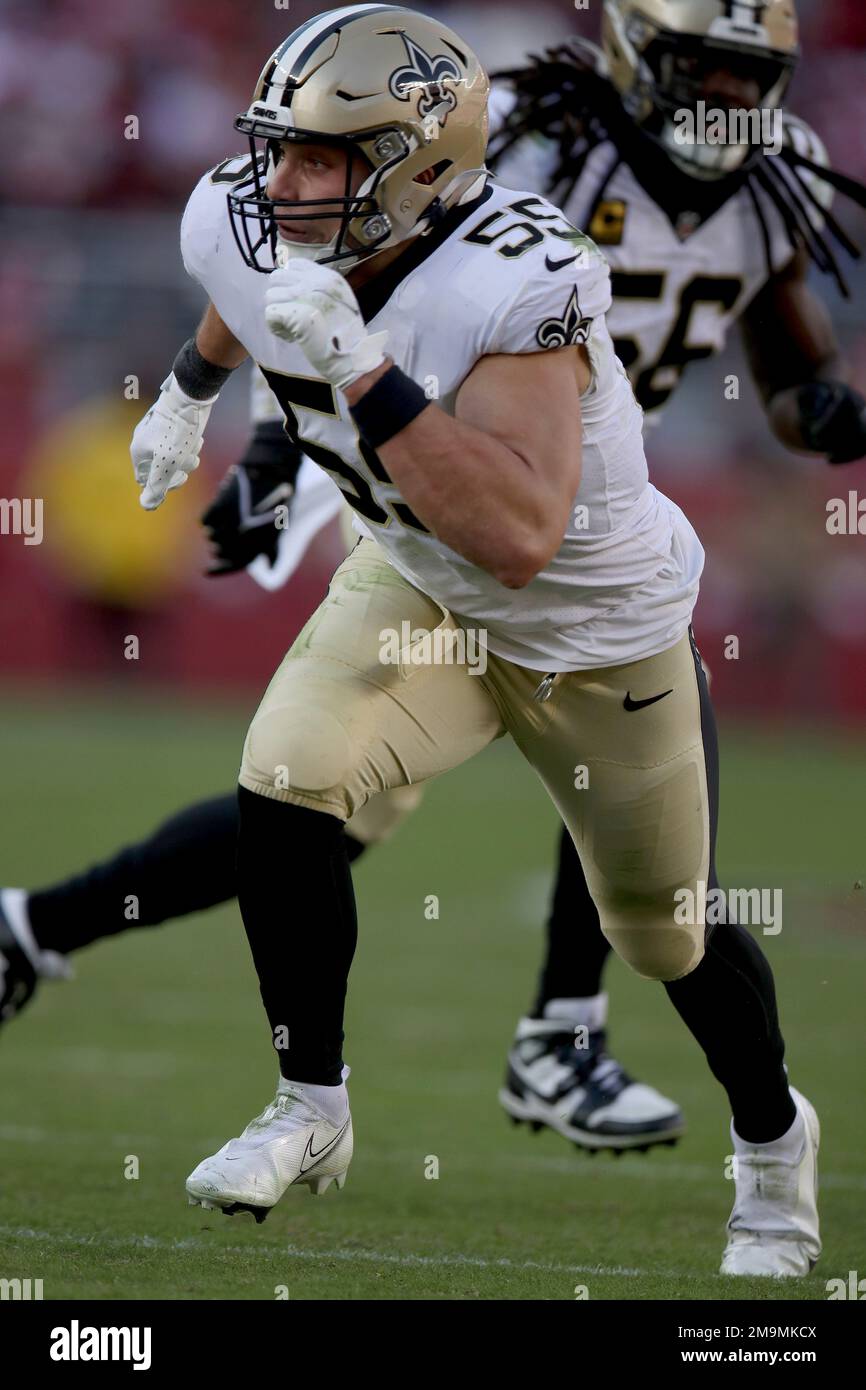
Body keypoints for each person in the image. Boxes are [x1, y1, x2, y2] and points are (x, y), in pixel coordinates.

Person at [127, 4, 818, 1277]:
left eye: (323, 160)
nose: (280, 182)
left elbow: (516, 531)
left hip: (592, 629)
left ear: (417, 166)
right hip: (421, 588)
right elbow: (243, 278)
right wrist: (187, 387)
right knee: (282, 784)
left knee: (660, 930)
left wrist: (362, 372)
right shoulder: (247, 206)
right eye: (277, 149)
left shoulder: (518, 274)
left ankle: (773, 1150)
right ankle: (311, 1107)